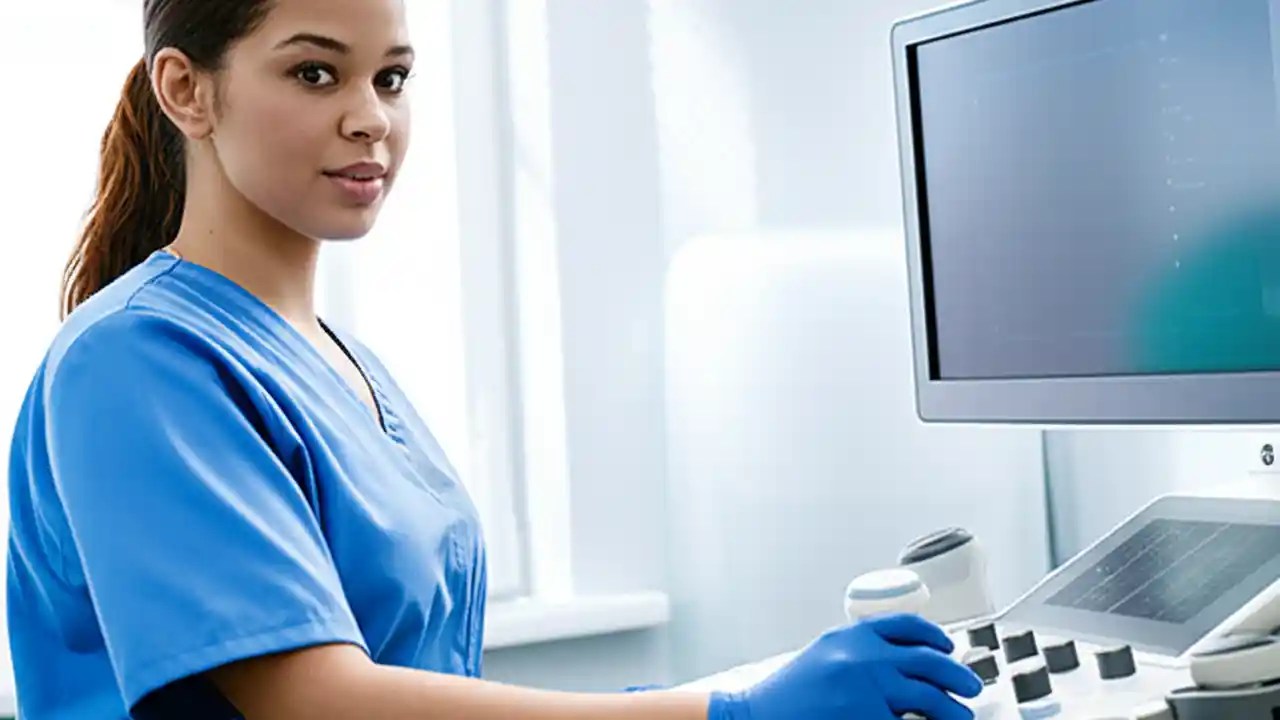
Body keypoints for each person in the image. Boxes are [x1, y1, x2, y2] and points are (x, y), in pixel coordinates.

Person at [5, 0, 983, 718]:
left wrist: (714, 694)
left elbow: (423, 679)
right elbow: (314, 702)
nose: (370, 117)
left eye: (391, 78)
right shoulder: (135, 362)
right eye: (315, 74)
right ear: (186, 90)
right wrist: (725, 715)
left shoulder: (341, 362)